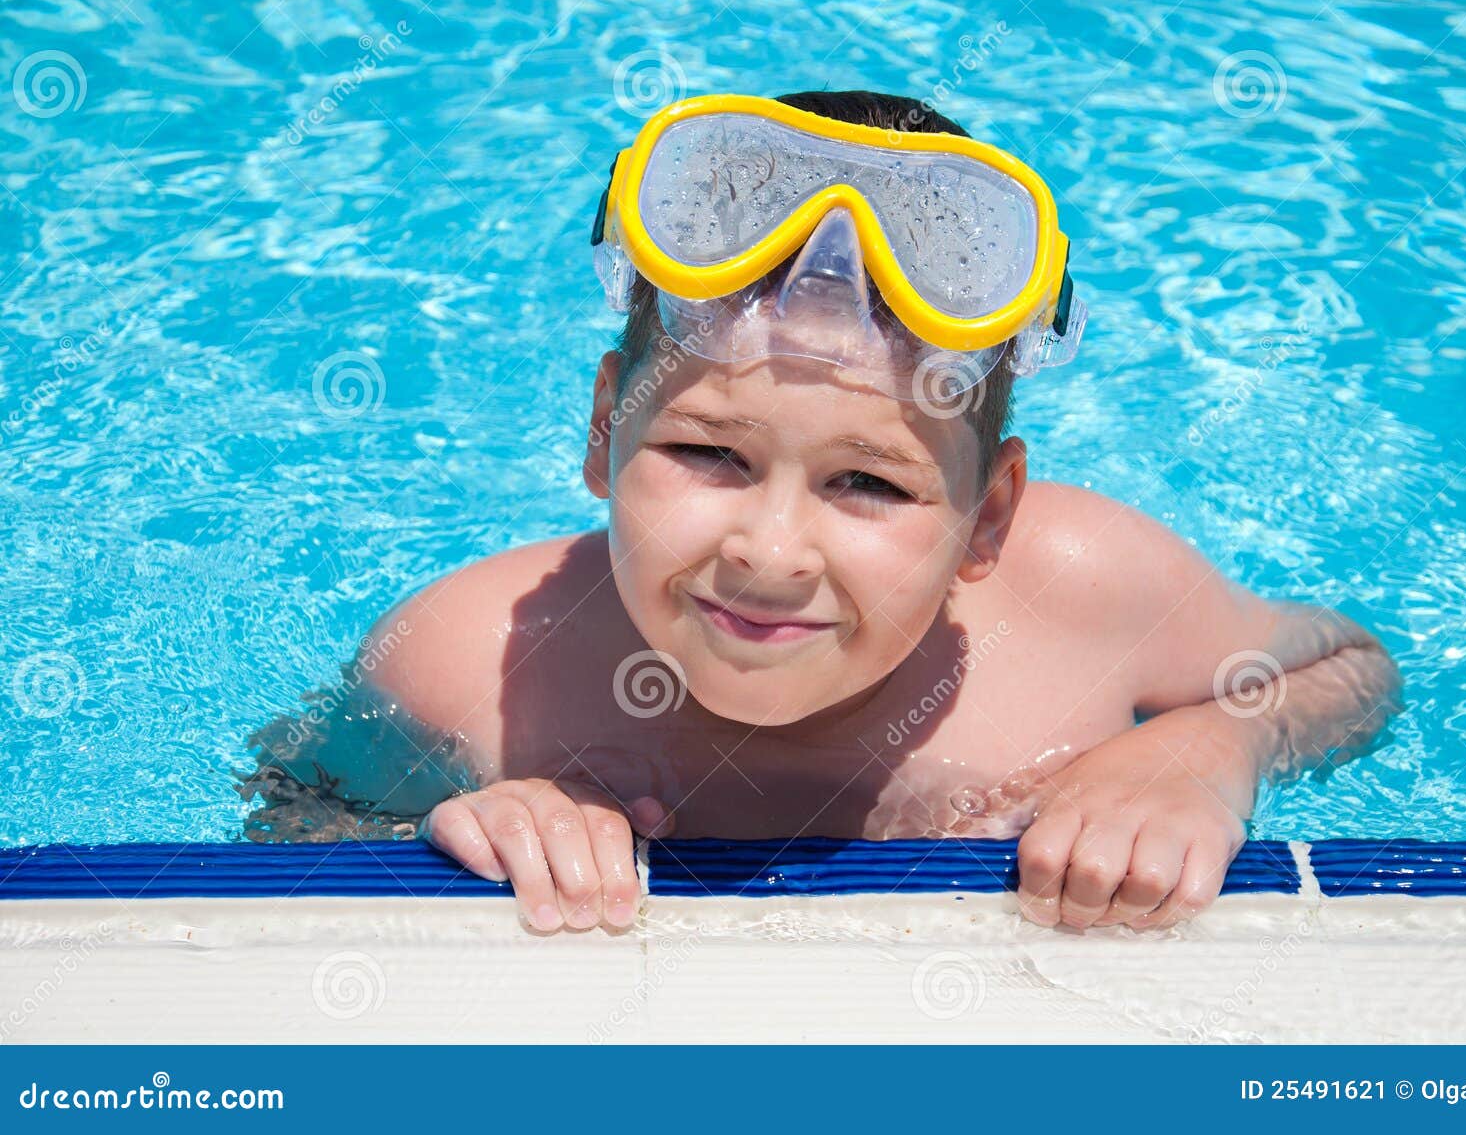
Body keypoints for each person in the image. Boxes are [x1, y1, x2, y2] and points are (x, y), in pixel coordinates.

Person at [360, 90, 1401, 934]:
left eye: (867, 483)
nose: (769, 553)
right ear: (604, 433)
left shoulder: (1086, 589)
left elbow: (1349, 669)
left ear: (988, 518)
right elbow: (294, 823)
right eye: (706, 453)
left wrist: (1209, 749)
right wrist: (460, 838)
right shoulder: (466, 666)